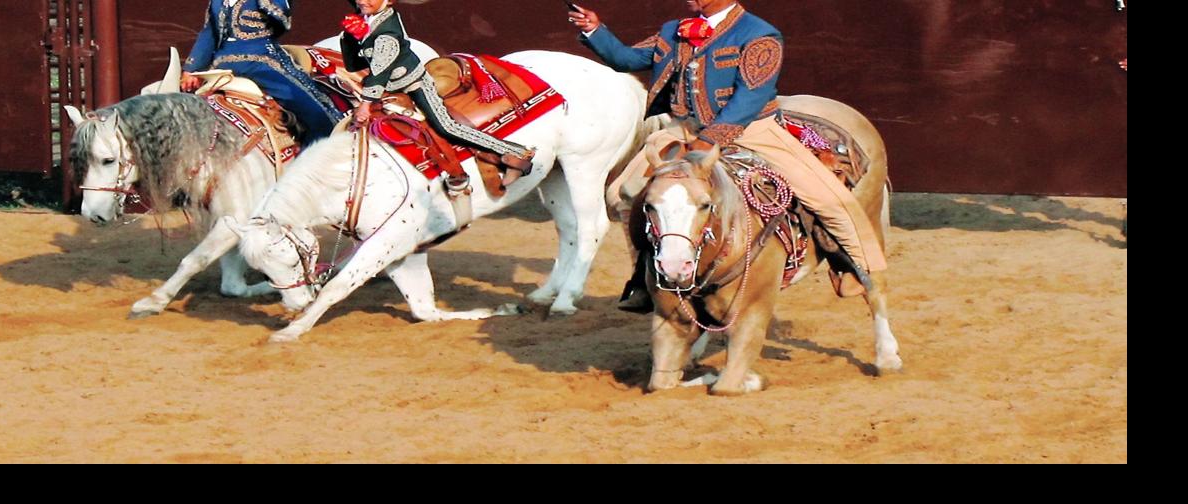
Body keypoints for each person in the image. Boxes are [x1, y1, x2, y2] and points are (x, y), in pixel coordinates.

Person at [569, 1, 888, 311]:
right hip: (683, 130)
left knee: (829, 199)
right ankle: (645, 276)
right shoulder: (674, 30)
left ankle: (858, 268)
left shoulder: (759, 34)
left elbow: (753, 95)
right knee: (622, 192)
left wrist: (712, 138)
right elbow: (625, 59)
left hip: (753, 130)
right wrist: (596, 30)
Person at [340, 0, 532, 178]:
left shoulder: (387, 36)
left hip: (412, 83)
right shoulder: (367, 12)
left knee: (446, 126)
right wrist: (350, 36)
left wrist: (365, 105)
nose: (363, 0)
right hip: (390, 85)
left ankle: (515, 151)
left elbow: (379, 73)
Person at [181, 0, 344, 144]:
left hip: (223, 64)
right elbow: (283, 20)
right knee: (318, 114)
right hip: (259, 62)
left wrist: (191, 69)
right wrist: (191, 68)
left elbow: (209, 33)